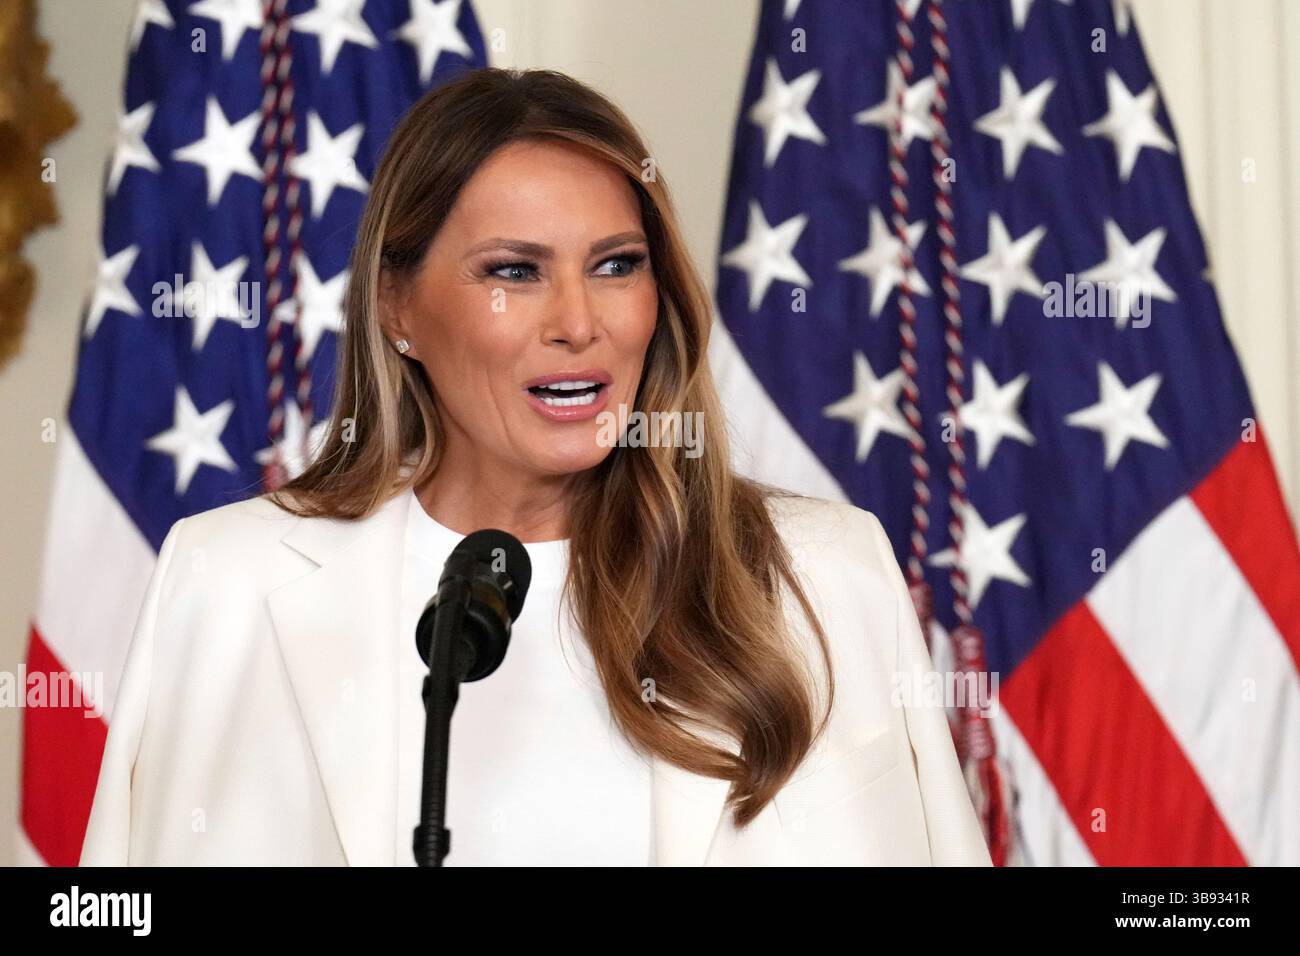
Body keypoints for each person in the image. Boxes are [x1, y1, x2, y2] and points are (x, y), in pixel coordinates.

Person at [79, 67, 991, 866]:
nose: (579, 323)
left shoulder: (826, 574)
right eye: (513, 272)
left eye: (616, 265)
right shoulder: (226, 578)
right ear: (398, 306)